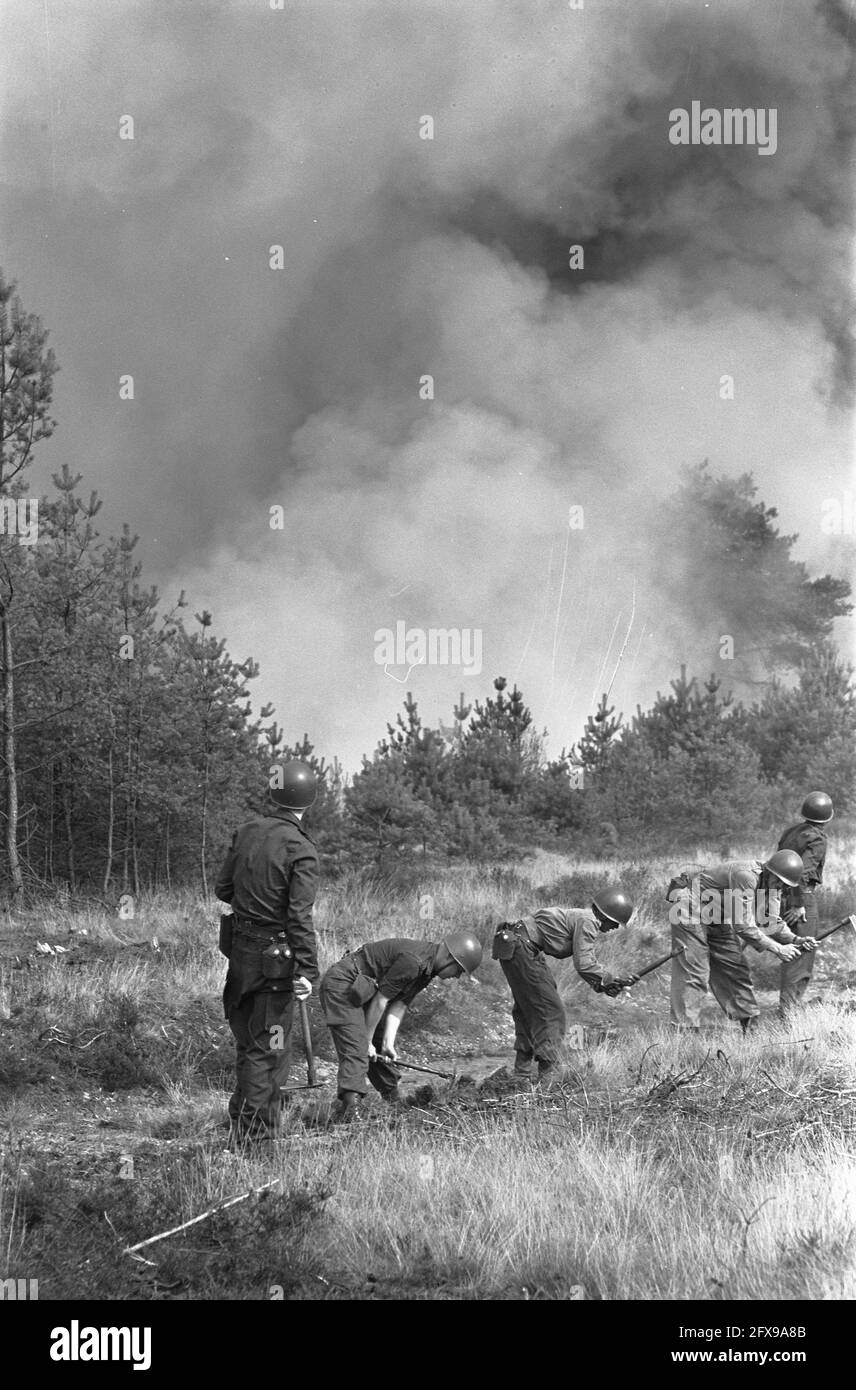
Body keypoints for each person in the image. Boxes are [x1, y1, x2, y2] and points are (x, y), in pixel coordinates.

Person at [215, 760, 320, 1142]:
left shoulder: (245, 832)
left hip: (240, 955)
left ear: (274, 793)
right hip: (273, 963)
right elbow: (298, 915)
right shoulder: (300, 848)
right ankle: (256, 1142)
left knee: (249, 1041)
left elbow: (222, 891)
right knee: (269, 1048)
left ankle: (241, 1124)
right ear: (308, 800)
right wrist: (308, 971)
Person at [320, 931, 482, 1120]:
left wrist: (387, 1044)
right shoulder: (413, 962)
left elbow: (399, 1005)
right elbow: (381, 1001)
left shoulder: (427, 970)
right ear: (449, 957)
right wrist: (367, 1041)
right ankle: (351, 1111)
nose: (457, 976)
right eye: (459, 970)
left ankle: (394, 1102)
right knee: (358, 1044)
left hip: (364, 990)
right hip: (343, 985)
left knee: (377, 1046)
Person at [492, 887, 636, 1089]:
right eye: (615, 923)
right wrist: (607, 979)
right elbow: (584, 964)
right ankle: (548, 1076)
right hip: (522, 947)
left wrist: (604, 984)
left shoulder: (582, 917)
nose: (614, 928)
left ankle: (522, 1074)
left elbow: (588, 964)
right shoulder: (588, 921)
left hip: (515, 945)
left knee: (528, 1009)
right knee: (551, 1011)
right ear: (606, 916)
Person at [667, 853, 804, 1032]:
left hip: (717, 915)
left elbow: (771, 921)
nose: (780, 887)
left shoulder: (774, 887)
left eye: (784, 886)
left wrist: (795, 939)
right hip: (688, 908)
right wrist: (778, 948)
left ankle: (750, 1026)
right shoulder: (746, 876)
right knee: (695, 970)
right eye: (778, 882)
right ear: (770, 872)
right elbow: (743, 926)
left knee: (735, 966)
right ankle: (683, 1031)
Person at [776, 792, 832, 1016]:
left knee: (792, 952)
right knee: (801, 956)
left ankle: (787, 1009)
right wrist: (798, 904)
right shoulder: (817, 838)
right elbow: (802, 873)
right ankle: (789, 1015)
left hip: (779, 895)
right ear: (828, 817)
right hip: (801, 899)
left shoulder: (791, 832)